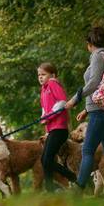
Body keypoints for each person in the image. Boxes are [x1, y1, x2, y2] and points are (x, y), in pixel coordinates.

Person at [63, 25, 104, 191]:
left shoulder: (97, 56)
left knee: (87, 150)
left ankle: (79, 187)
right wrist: (86, 109)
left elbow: (93, 83)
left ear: (89, 43)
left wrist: (75, 99)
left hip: (101, 112)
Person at [37, 62, 73, 190]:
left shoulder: (52, 83)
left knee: (47, 160)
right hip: (52, 129)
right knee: (45, 160)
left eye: (43, 74)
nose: (40, 77)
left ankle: (76, 179)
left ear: (52, 75)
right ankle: (50, 188)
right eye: (39, 75)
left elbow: (62, 101)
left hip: (60, 128)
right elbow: (44, 108)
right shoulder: (44, 89)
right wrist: (43, 118)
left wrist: (48, 117)